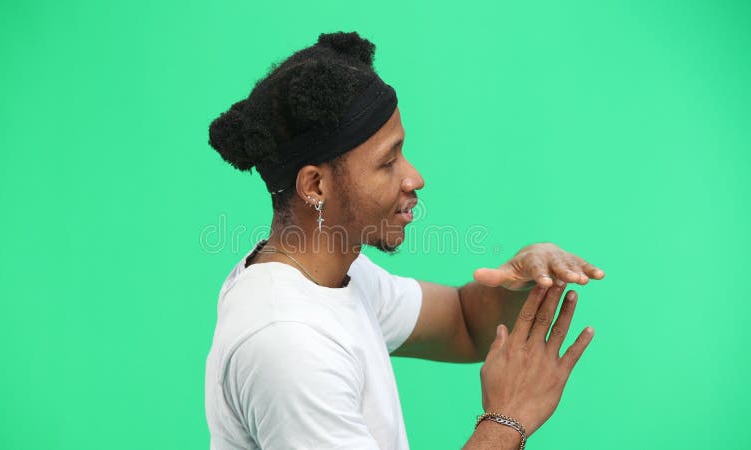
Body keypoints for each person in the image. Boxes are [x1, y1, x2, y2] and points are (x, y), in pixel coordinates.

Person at [205, 31, 605, 450]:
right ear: (316, 186)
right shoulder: (287, 342)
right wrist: (508, 419)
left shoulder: (335, 275)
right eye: (387, 162)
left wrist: (520, 279)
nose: (414, 177)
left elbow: (464, 322)